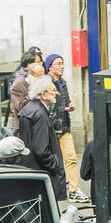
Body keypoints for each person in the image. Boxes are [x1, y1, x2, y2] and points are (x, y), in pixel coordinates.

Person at [17, 74, 66, 205]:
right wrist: (55, 164)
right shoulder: (40, 114)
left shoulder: (30, 109)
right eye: (53, 91)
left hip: (31, 168)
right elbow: (41, 149)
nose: (56, 94)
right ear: (43, 94)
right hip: (41, 172)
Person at [44, 53, 86, 202]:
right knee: (51, 161)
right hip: (51, 128)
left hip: (64, 127)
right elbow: (47, 106)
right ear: (50, 67)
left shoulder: (63, 82)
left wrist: (69, 106)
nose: (62, 66)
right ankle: (48, 190)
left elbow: (64, 102)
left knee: (71, 158)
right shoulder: (45, 83)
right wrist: (62, 109)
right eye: (58, 63)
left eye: (63, 63)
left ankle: (74, 190)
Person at [8, 55, 44, 132]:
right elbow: (20, 107)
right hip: (23, 127)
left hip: (36, 124)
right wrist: (33, 94)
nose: (40, 64)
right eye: (37, 62)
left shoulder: (36, 80)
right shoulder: (19, 82)